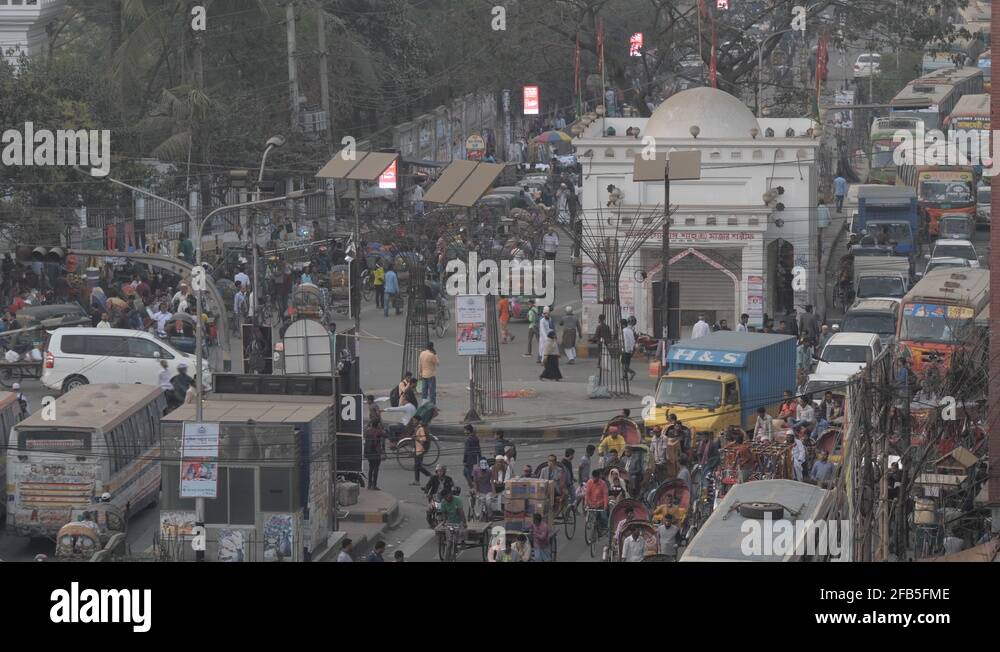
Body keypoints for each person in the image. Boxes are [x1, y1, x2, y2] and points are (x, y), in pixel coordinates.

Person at [365, 417, 386, 491]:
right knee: (376, 469)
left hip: (369, 453)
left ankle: (369, 484)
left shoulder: (367, 431)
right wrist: (380, 428)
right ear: (378, 424)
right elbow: (385, 435)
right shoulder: (378, 431)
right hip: (376, 452)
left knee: (371, 468)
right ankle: (374, 485)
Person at [410, 415, 432, 486]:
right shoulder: (417, 428)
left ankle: (431, 475)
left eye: (414, 420)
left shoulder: (421, 428)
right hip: (417, 449)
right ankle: (417, 481)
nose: (413, 422)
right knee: (417, 466)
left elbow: (423, 440)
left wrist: (415, 438)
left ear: (417, 421)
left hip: (421, 449)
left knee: (418, 466)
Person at [462, 424, 481, 489]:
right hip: (474, 460)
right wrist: (480, 458)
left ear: (468, 431)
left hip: (468, 460)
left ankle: (473, 489)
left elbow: (466, 451)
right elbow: (479, 449)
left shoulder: (468, 440)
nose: (464, 432)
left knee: (468, 474)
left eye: (465, 430)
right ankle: (474, 487)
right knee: (469, 474)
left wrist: (464, 460)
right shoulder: (476, 438)